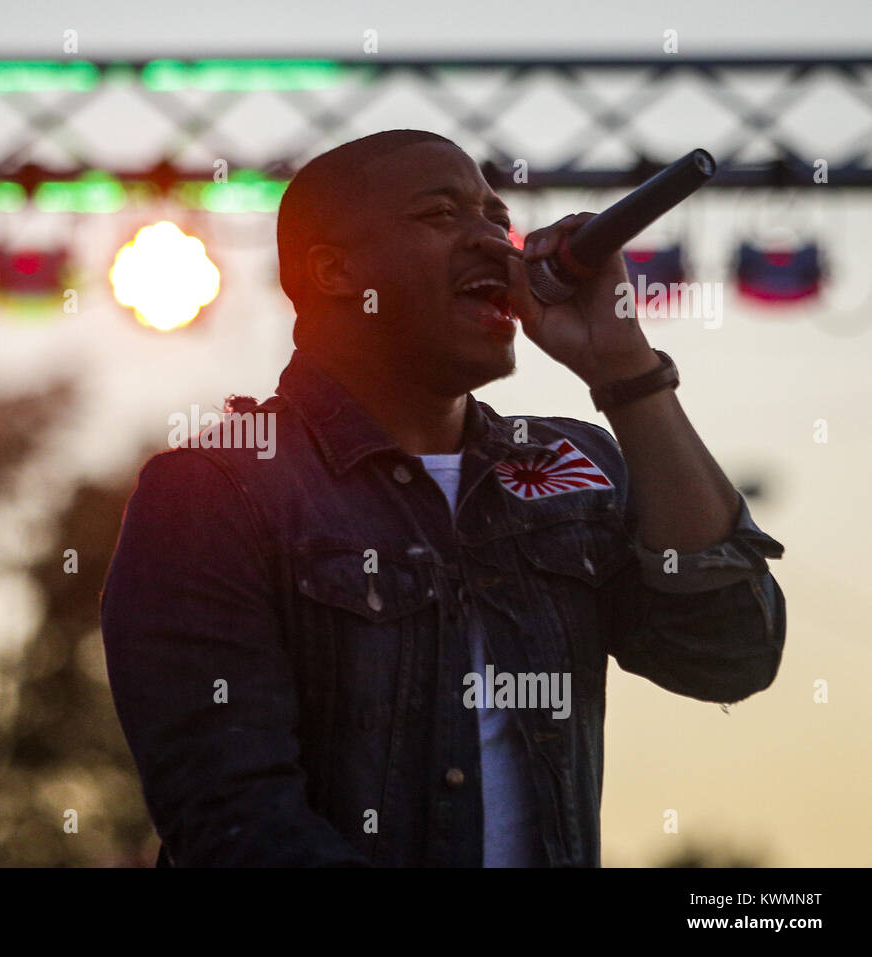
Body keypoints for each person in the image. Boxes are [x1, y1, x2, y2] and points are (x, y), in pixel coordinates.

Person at [99, 129, 786, 867]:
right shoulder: (216, 491)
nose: (498, 244)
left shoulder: (574, 464)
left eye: (497, 218)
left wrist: (626, 370)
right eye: (441, 216)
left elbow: (731, 652)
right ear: (334, 270)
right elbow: (237, 825)